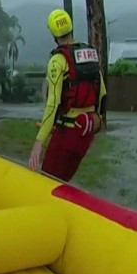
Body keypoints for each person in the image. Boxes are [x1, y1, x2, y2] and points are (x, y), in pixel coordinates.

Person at [28, 9, 107, 182]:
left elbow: (52, 104)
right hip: (85, 133)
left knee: (47, 181)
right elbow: (102, 94)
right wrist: (95, 127)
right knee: (63, 180)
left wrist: (38, 143)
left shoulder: (57, 60)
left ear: (53, 34)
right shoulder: (90, 54)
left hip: (67, 133)